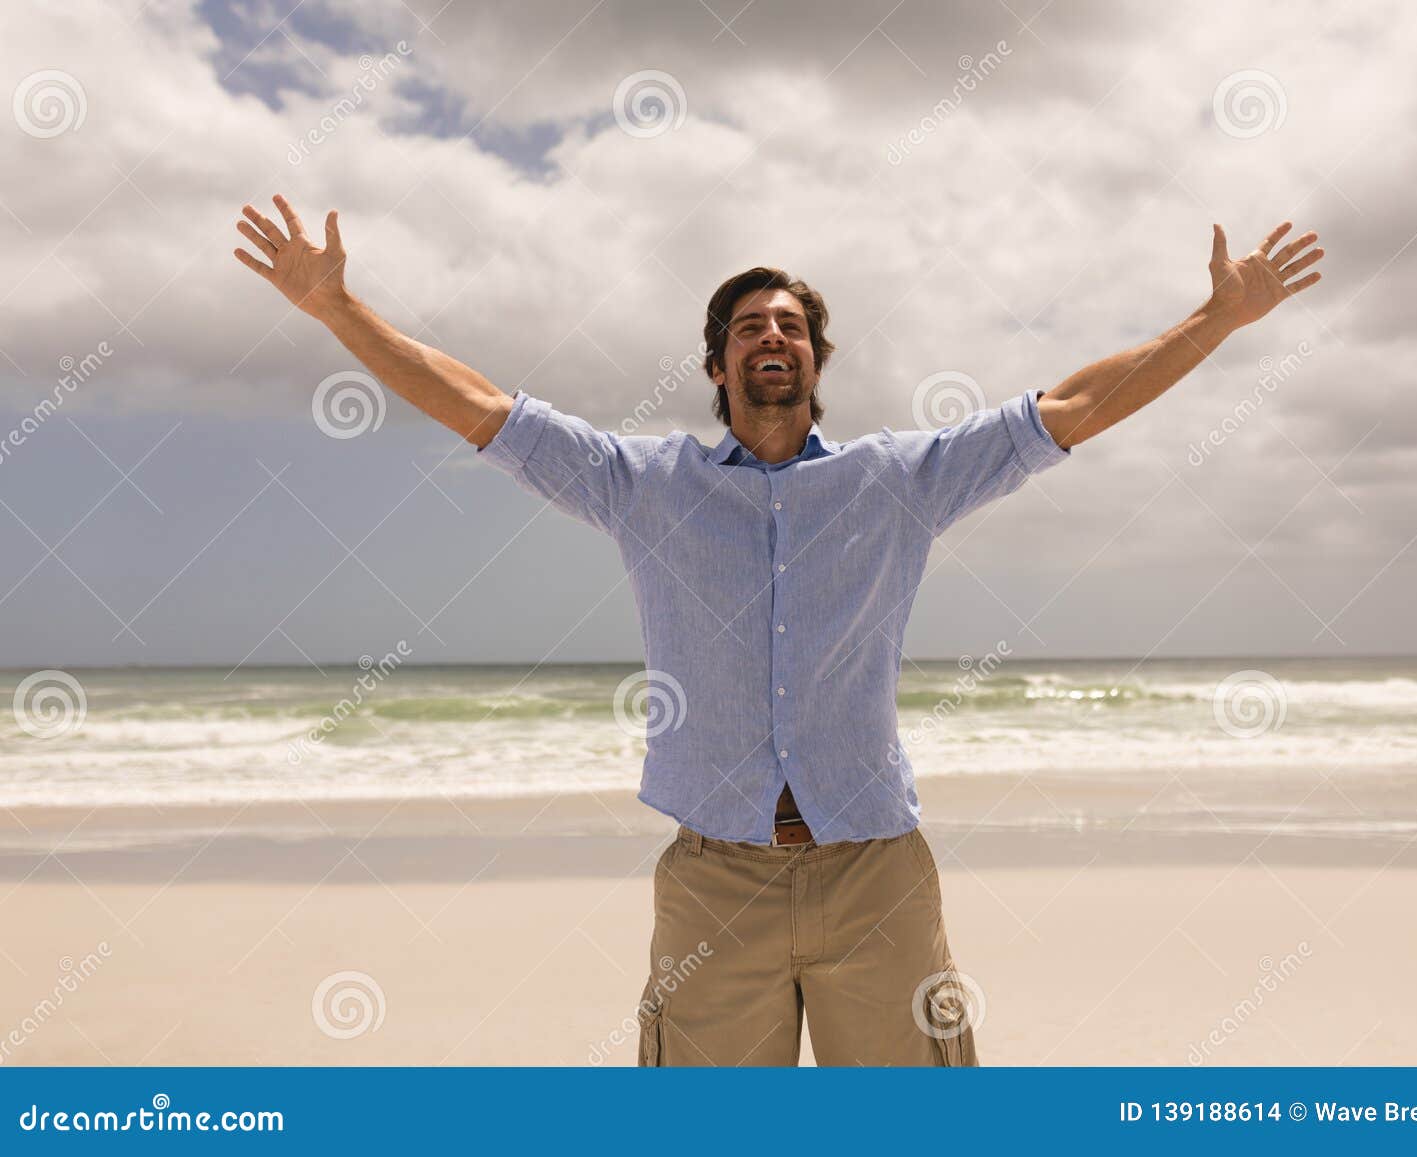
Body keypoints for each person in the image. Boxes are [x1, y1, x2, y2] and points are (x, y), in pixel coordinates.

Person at [233, 195, 1323, 1065]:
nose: (772, 337)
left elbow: (1071, 408)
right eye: (749, 326)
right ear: (717, 365)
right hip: (714, 876)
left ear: (815, 364)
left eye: (791, 326)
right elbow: (478, 407)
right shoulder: (640, 485)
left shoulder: (896, 480)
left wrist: (1217, 320)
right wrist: (339, 311)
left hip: (875, 872)